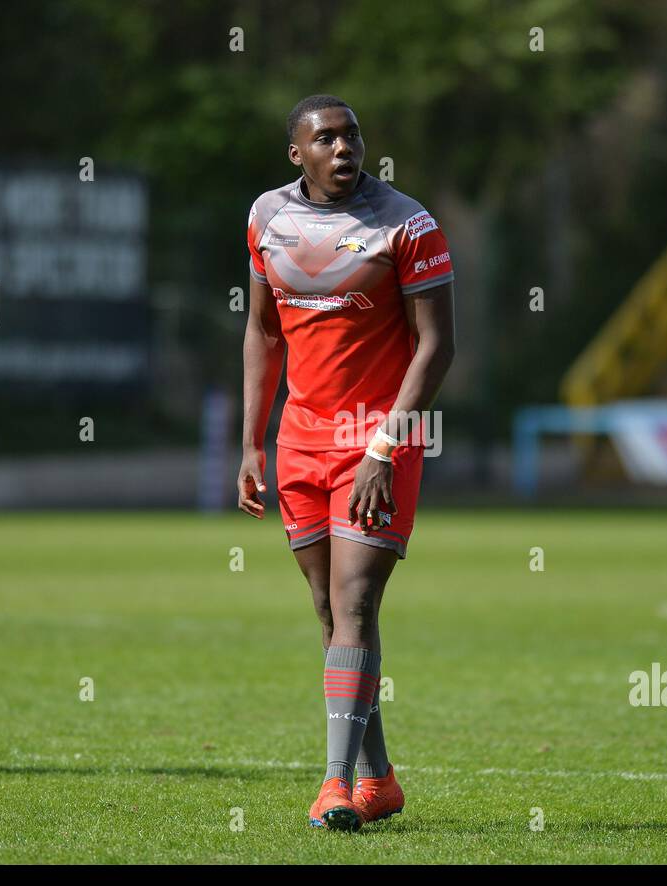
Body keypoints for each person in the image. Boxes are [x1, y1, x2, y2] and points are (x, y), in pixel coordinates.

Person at [237, 94, 456, 831]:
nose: (343, 147)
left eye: (352, 134)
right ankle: (379, 778)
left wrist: (385, 447)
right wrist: (250, 441)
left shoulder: (408, 224)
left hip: (380, 439)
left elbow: (437, 346)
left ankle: (333, 784)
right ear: (295, 152)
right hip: (298, 440)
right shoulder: (268, 218)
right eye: (325, 138)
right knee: (331, 611)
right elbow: (263, 332)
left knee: (357, 600)